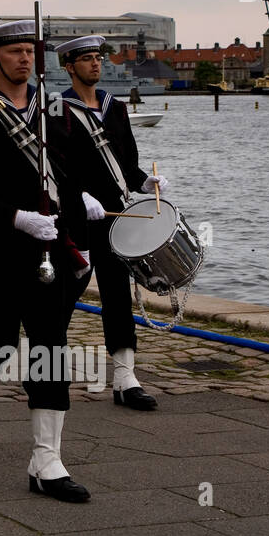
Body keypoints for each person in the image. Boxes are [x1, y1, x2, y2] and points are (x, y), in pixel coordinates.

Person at [0, 20, 92, 502]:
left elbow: (70, 175)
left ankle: (46, 461)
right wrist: (14, 217)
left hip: (50, 248)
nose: (24, 59)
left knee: (50, 348)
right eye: (14, 52)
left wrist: (81, 220)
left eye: (30, 51)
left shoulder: (54, 109)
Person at [55, 36, 168, 411]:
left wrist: (145, 182)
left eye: (98, 58)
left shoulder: (115, 109)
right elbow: (53, 168)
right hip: (77, 217)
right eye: (87, 59)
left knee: (118, 296)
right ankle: (49, 365)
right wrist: (77, 196)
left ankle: (125, 379)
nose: (95, 64)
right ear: (69, 67)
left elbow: (127, 164)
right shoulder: (57, 111)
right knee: (65, 294)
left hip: (116, 216)